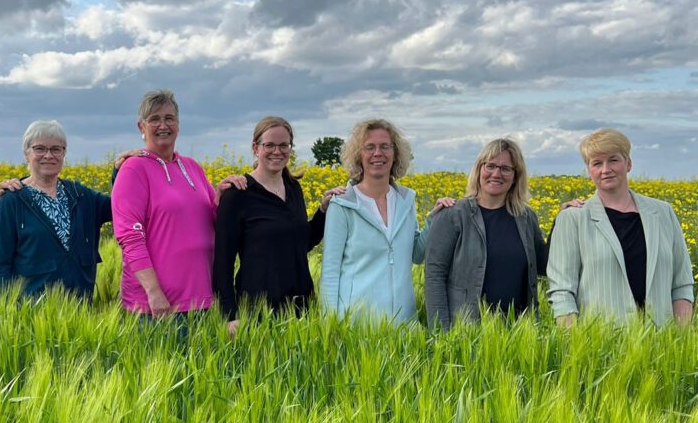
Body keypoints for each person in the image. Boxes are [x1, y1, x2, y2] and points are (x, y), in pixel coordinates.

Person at [112, 89, 241, 318]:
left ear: (178, 125)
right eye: (154, 119)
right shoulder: (133, 169)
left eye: (169, 118)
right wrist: (153, 291)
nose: (163, 125)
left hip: (203, 299)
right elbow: (130, 237)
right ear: (141, 127)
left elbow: (210, 219)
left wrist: (222, 196)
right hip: (158, 307)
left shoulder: (192, 167)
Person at [547, 128, 694, 326]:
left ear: (628, 164)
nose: (605, 169)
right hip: (599, 340)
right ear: (589, 171)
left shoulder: (663, 213)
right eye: (597, 163)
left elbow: (682, 285)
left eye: (613, 160)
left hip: (662, 339)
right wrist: (573, 340)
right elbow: (562, 293)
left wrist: (680, 337)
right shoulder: (572, 219)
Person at [213, 116, 343, 336]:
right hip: (257, 311)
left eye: (284, 145)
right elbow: (223, 261)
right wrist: (229, 315)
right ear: (255, 148)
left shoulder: (294, 188)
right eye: (269, 145)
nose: (277, 151)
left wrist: (323, 210)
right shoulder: (237, 195)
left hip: (301, 306)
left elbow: (303, 242)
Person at [320, 118, 449, 323]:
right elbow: (330, 271)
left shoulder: (406, 200)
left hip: (403, 324)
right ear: (358, 155)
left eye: (385, 146)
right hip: (356, 325)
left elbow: (416, 255)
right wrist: (330, 326)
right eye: (369, 147)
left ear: (395, 153)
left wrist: (434, 219)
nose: (378, 153)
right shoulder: (342, 205)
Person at [423, 138, 548, 330]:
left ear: (516, 176)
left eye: (505, 168)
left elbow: (543, 265)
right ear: (479, 169)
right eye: (490, 166)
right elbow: (434, 276)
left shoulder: (526, 218)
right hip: (465, 331)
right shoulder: (452, 215)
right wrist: (440, 333)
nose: (496, 174)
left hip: (518, 332)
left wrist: (563, 220)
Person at [0, 120, 113, 299]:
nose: (48, 155)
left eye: (56, 149)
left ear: (64, 154)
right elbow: (0, 268)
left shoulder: (80, 195)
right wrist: (6, 307)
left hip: (80, 310)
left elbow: (121, 208)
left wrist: (123, 170)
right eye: (39, 149)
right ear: (26, 154)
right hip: (30, 311)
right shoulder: (11, 200)